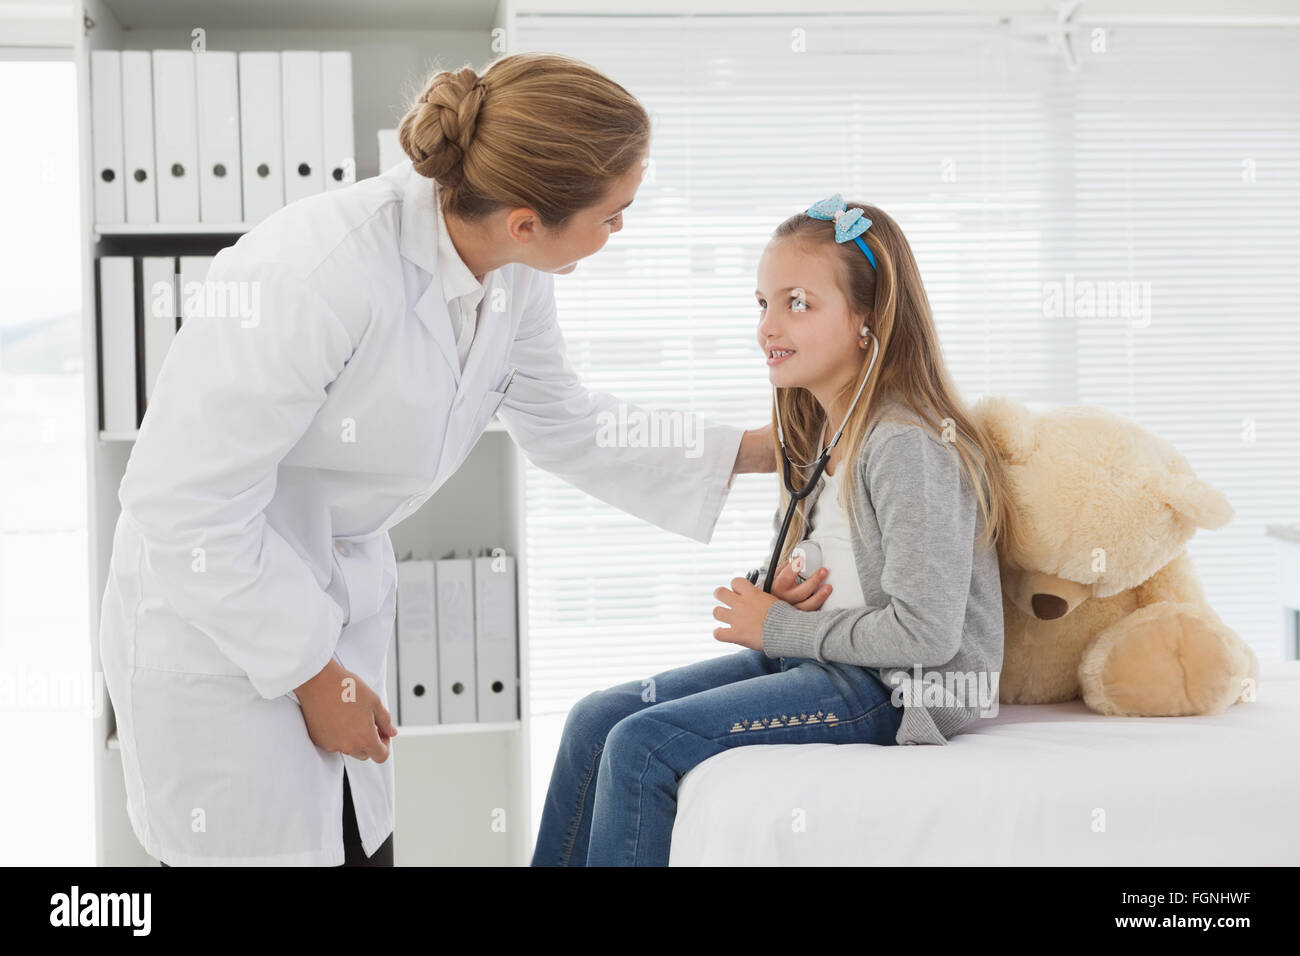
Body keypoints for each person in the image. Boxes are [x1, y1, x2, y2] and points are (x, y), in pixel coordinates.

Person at [99, 52, 772, 867]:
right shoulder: (315, 273)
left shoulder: (512, 273)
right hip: (222, 627)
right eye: (613, 214)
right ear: (527, 220)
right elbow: (182, 504)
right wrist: (313, 675)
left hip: (326, 606)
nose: (619, 231)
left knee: (353, 845)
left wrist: (765, 451)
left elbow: (569, 424)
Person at [532, 196, 1026, 866]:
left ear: (867, 319)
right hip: (824, 659)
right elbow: (839, 566)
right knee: (595, 718)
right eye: (762, 303)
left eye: (798, 302)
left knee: (642, 745)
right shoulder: (818, 432)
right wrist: (781, 592)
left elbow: (926, 634)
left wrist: (776, 628)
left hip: (890, 685)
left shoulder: (907, 443)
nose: (768, 326)